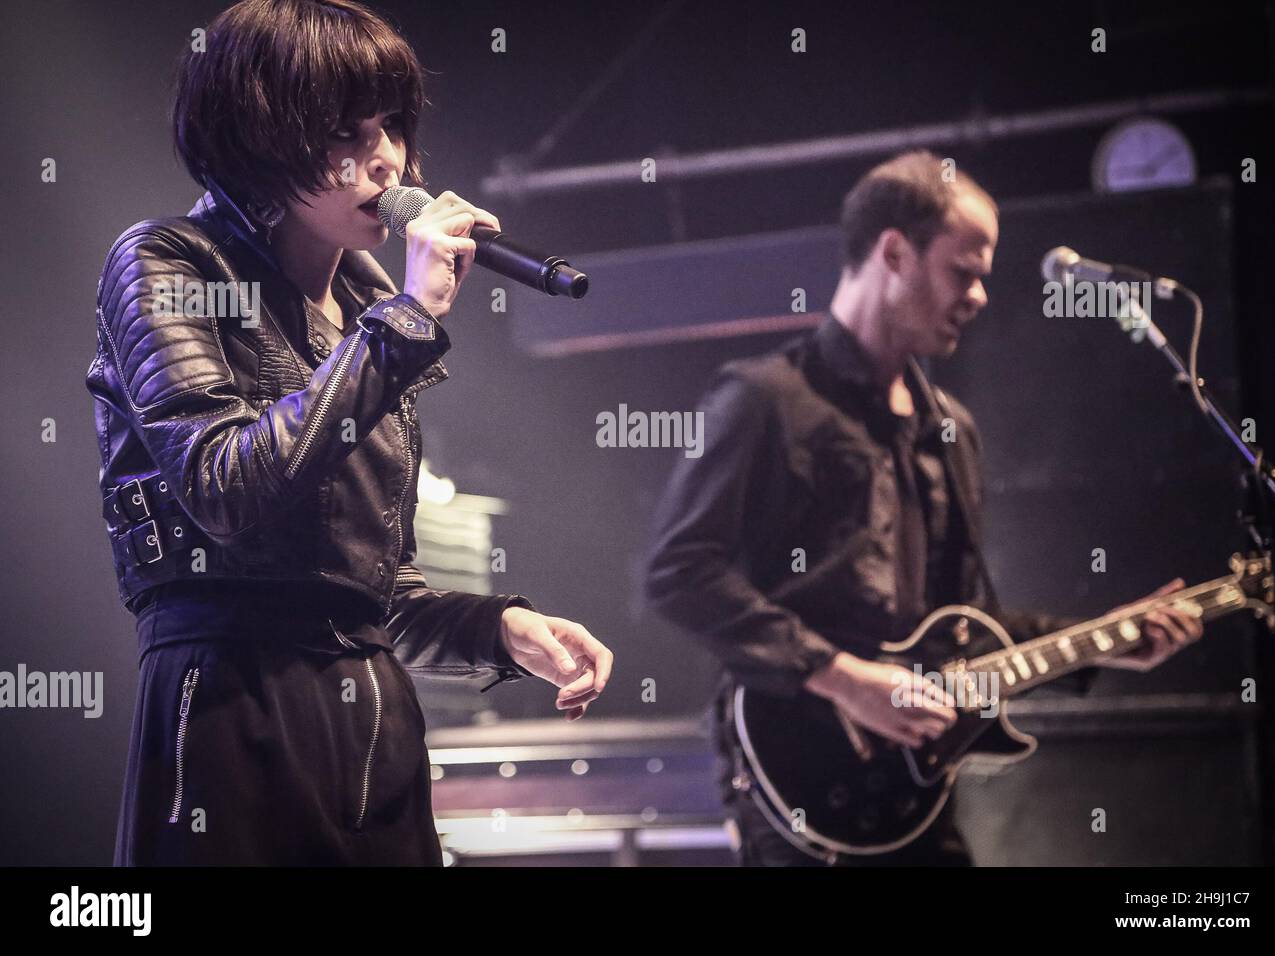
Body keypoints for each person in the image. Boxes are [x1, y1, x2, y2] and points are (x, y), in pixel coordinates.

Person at [87, 0, 612, 866]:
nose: (387, 159)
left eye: (392, 127)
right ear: (257, 137)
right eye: (345, 132)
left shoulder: (368, 308)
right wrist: (408, 319)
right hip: (230, 711)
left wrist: (503, 631)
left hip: (375, 727)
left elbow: (371, 592)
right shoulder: (168, 261)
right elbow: (226, 487)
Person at [643, 150, 1202, 867]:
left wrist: (1113, 640)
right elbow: (677, 572)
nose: (979, 296)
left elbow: (965, 627)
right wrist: (844, 677)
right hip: (797, 773)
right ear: (895, 252)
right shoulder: (764, 400)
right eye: (963, 272)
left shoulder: (952, 428)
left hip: (914, 789)